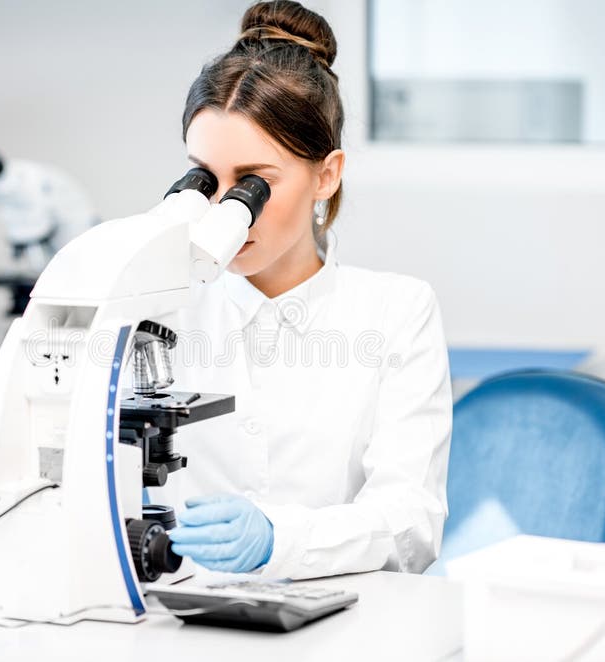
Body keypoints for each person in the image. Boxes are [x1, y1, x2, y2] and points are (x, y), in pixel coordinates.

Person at [148, 0, 453, 580]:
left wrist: (281, 541)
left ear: (327, 174)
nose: (223, 208)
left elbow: (410, 524)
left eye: (254, 183)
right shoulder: (159, 304)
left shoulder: (396, 311)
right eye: (205, 179)